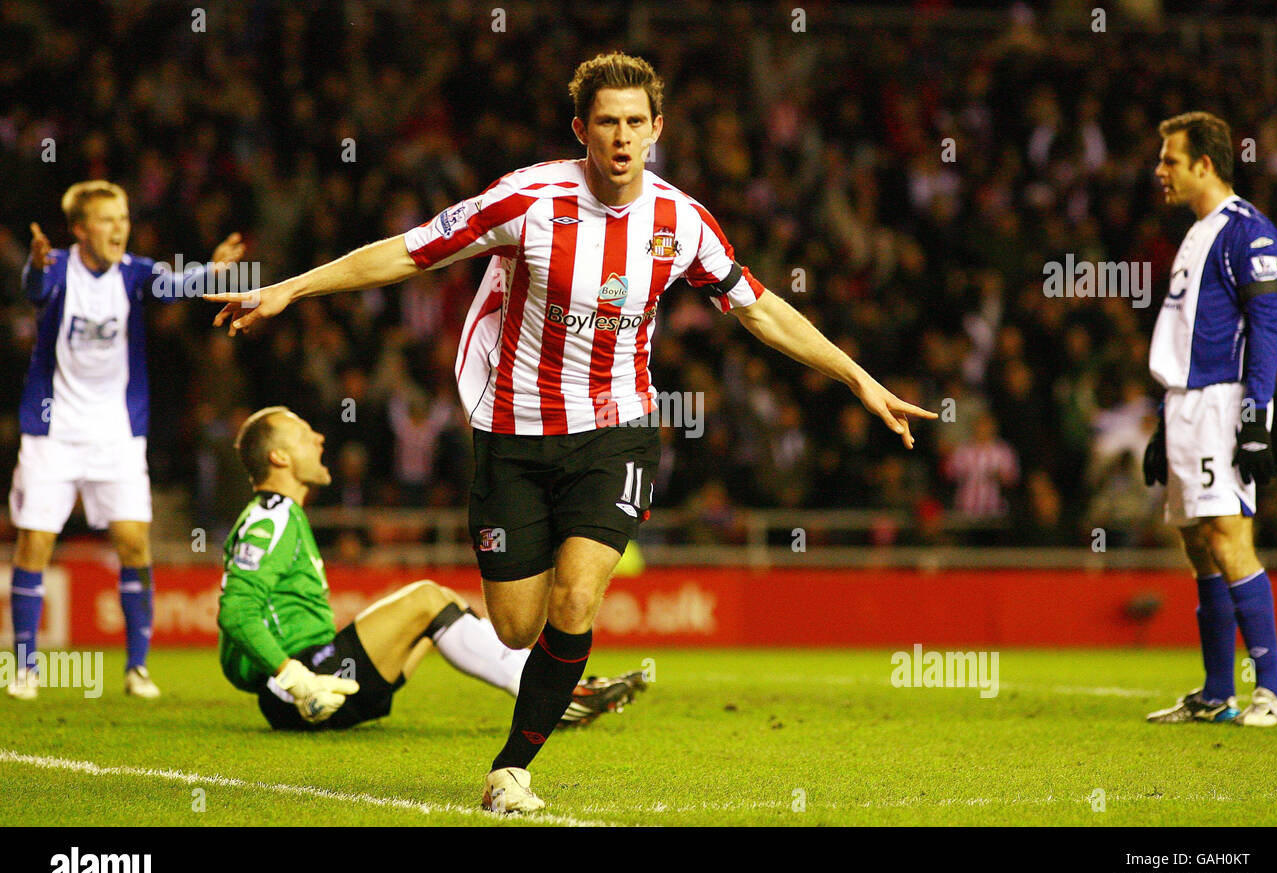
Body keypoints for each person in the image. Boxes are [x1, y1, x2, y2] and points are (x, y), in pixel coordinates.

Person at [207, 52, 937, 811]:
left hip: (613, 429)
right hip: (511, 434)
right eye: (607, 123)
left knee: (577, 598)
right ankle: (524, 694)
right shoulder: (525, 199)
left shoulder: (680, 222)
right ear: (580, 129)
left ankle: (513, 768)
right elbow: (409, 249)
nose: (622, 138)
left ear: (657, 129)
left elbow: (758, 307)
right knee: (518, 627)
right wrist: (291, 288)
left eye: (635, 123)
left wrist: (859, 377)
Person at [218, 406, 641, 738]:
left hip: (316, 680)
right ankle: (553, 694)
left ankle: (554, 690)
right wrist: (295, 679)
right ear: (279, 457)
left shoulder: (278, 516)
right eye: (302, 434)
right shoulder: (269, 519)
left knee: (443, 608)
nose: (319, 437)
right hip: (302, 686)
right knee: (427, 599)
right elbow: (236, 611)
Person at [7, 180, 244, 700]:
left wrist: (213, 270)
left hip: (116, 436)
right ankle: (25, 666)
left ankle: (137, 668)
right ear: (80, 229)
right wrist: (34, 264)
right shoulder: (57, 269)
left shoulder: (134, 272)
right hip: (53, 434)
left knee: (135, 545)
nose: (120, 228)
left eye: (124, 218)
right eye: (108, 219)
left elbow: (176, 285)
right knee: (35, 544)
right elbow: (34, 290)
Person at [1143, 112, 1277, 727]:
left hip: (1223, 403)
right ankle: (1215, 692)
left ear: (1205, 164)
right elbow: (1187, 333)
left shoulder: (1246, 231)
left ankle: (1272, 695)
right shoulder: (1197, 232)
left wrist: (1255, 417)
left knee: (1230, 539)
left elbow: (1269, 323)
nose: (1160, 171)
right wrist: (1162, 422)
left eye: (1170, 160)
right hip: (1185, 404)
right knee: (1198, 543)